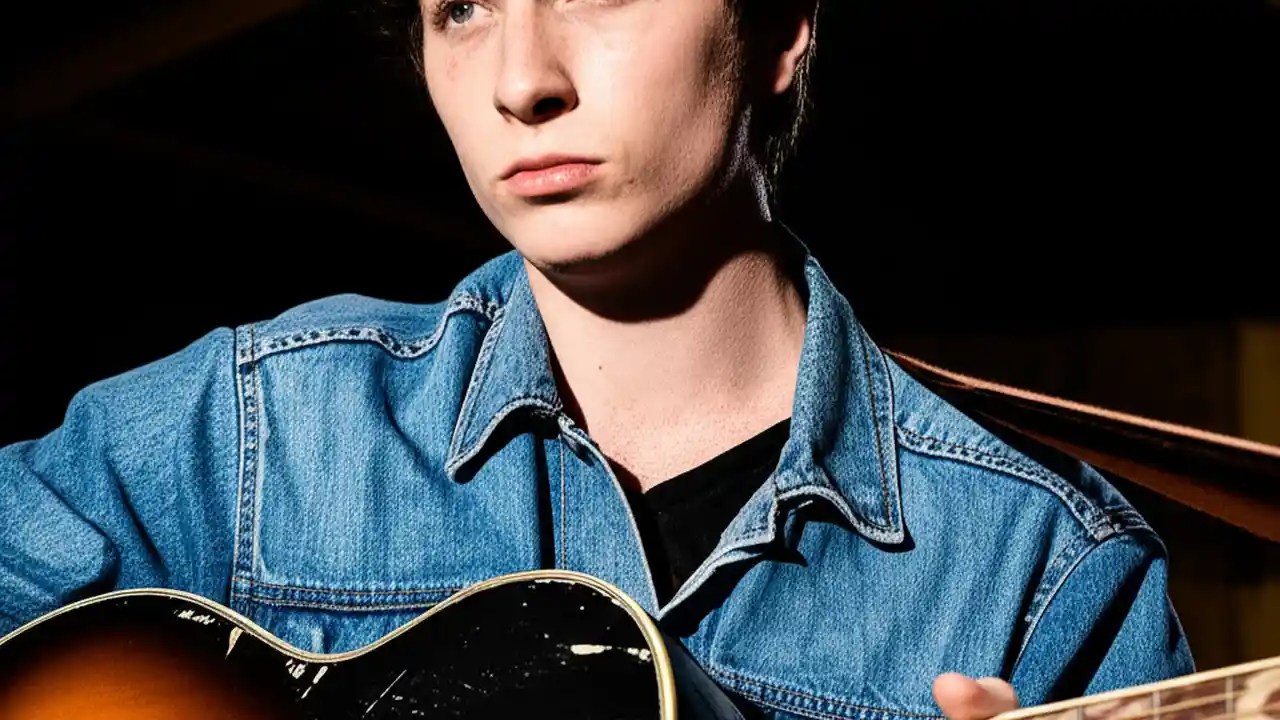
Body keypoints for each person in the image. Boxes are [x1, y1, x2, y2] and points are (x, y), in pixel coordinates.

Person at [1, 0, 1193, 718]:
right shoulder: (263, 429)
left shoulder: (1039, 569)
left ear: (778, 25)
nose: (521, 82)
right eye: (461, 5)